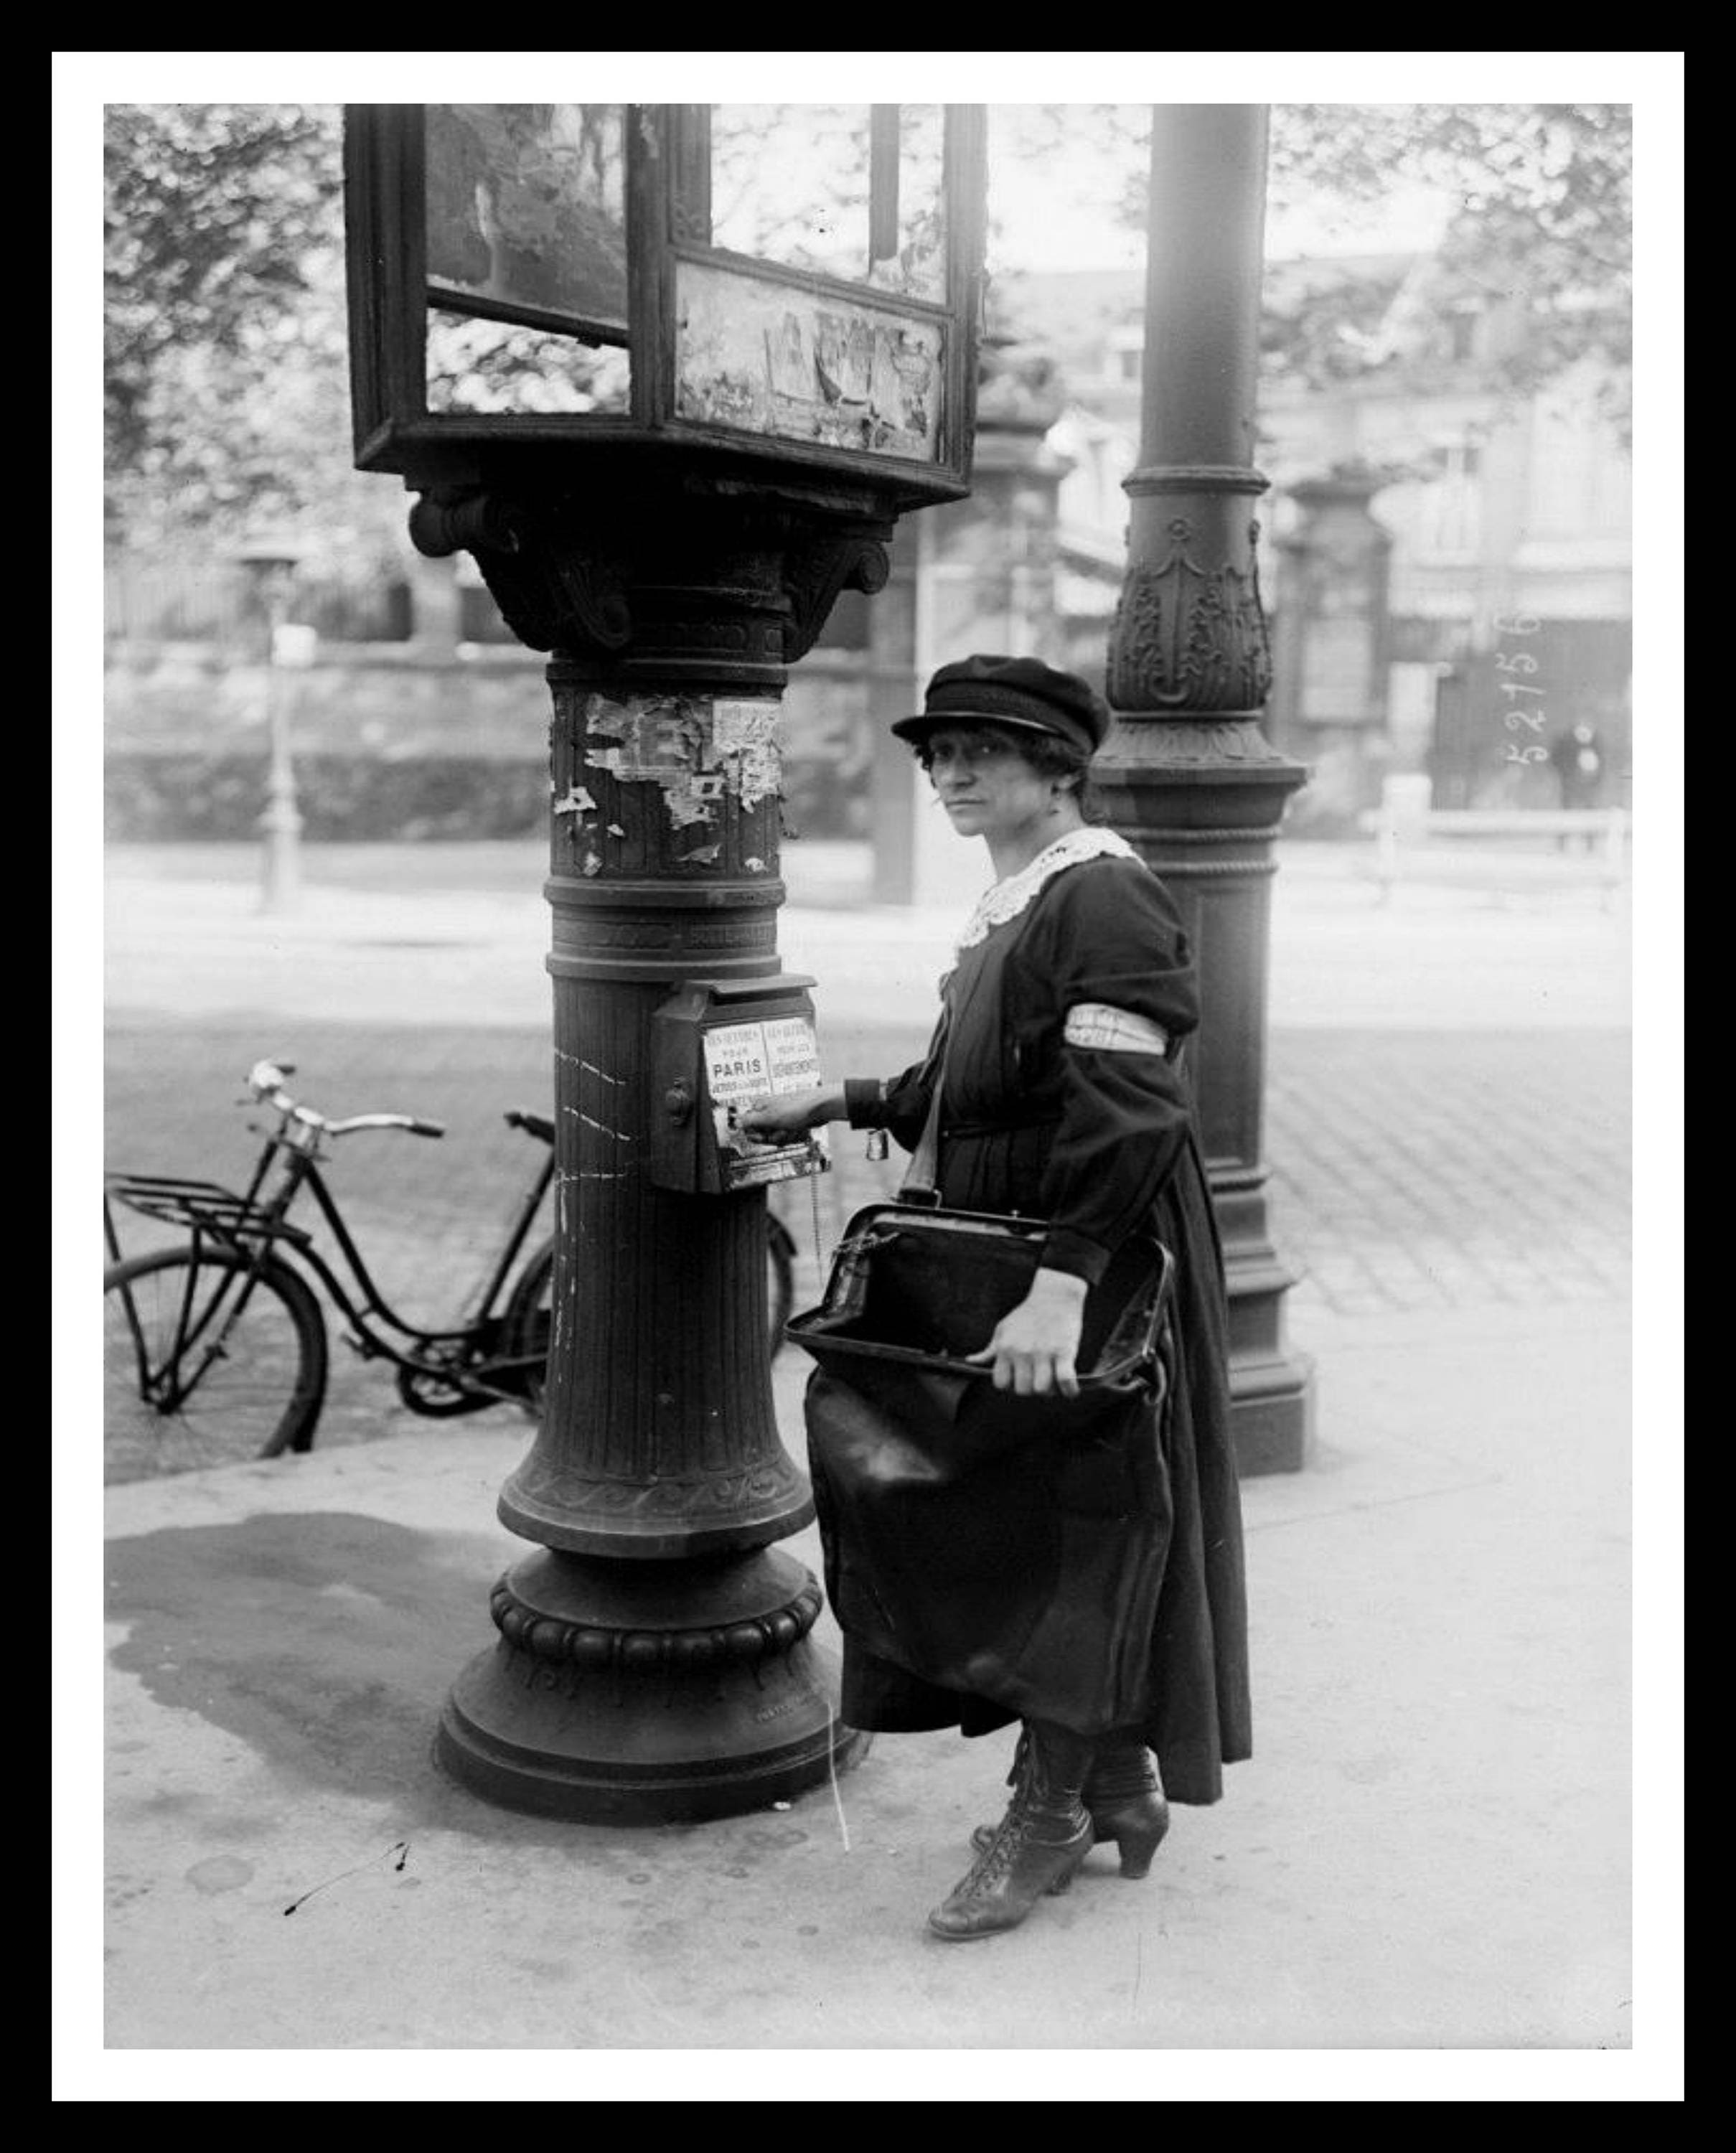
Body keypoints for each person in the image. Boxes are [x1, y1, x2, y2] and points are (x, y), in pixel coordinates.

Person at [742, 654, 1250, 1942]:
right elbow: (985, 1076)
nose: (953, 774)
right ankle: (1117, 1783)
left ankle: (1050, 1813)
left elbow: (1130, 1110)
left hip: (1080, 1248)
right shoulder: (1023, 902)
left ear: (1059, 768)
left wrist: (1057, 1290)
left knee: (1071, 1528)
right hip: (1011, 1237)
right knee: (1041, 1519)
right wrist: (849, 1099)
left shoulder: (1103, 896)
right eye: (938, 755)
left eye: (986, 751)